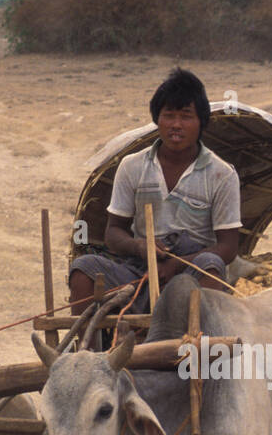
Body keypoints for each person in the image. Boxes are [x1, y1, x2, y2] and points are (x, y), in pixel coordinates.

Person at [68, 68, 242, 314]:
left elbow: (227, 247)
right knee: (84, 268)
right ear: (156, 119)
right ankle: (87, 349)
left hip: (193, 266)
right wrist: (140, 247)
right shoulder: (132, 166)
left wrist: (174, 266)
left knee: (211, 264)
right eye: (168, 116)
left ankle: (201, 347)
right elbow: (114, 232)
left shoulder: (221, 174)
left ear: (202, 121)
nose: (176, 125)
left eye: (186, 116)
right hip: (139, 268)